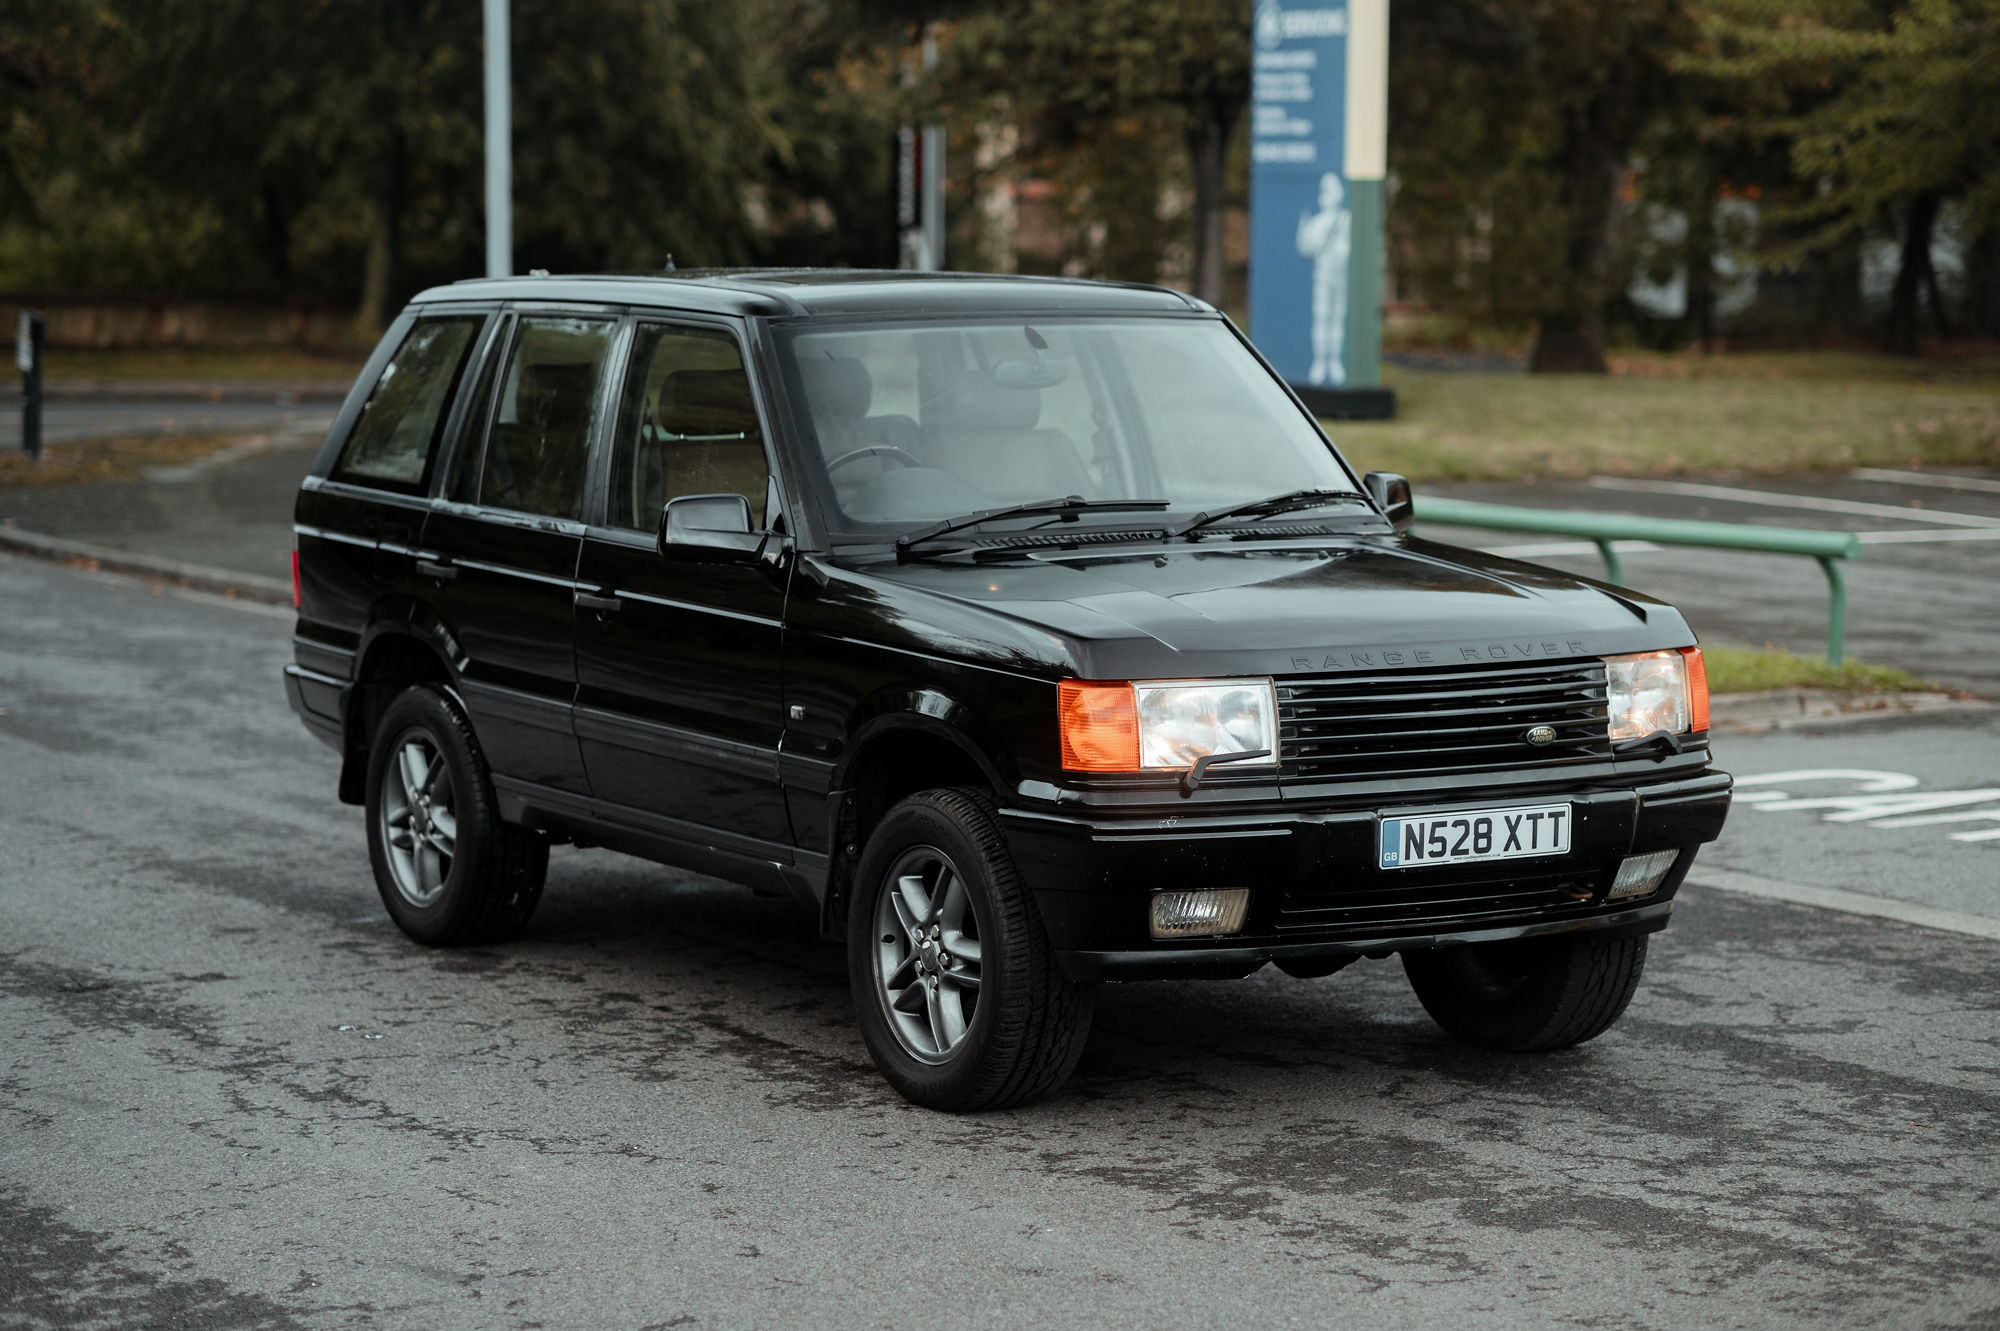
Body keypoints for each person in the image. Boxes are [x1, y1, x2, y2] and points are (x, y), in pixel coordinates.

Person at [1295, 171, 1352, 387]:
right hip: (1323, 274)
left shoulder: (1346, 219)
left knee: (1337, 318)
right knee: (1322, 317)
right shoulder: (1317, 223)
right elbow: (1306, 248)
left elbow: (1351, 246)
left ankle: (1334, 361)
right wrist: (1303, 231)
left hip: (1340, 274)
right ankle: (1320, 362)